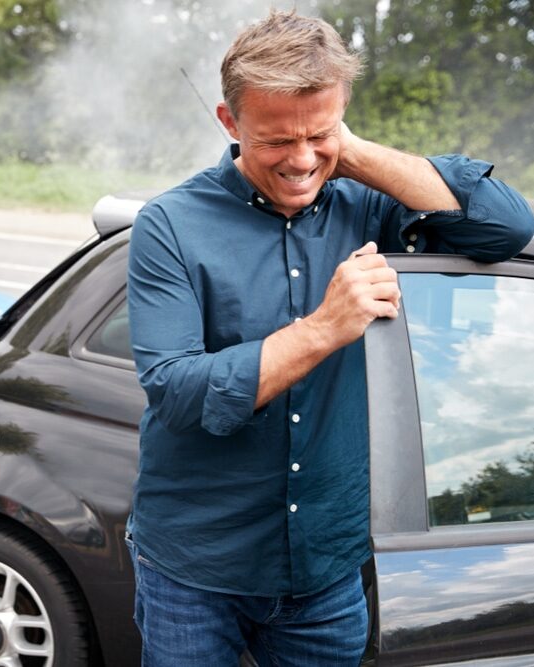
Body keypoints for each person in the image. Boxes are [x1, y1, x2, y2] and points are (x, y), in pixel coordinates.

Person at [126, 9, 534, 666]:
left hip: (325, 570)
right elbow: (175, 390)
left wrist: (350, 150)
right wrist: (323, 328)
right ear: (229, 123)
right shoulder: (168, 225)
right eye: (275, 141)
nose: (300, 160)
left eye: (318, 133)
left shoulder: (369, 203)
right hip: (194, 569)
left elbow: (506, 228)